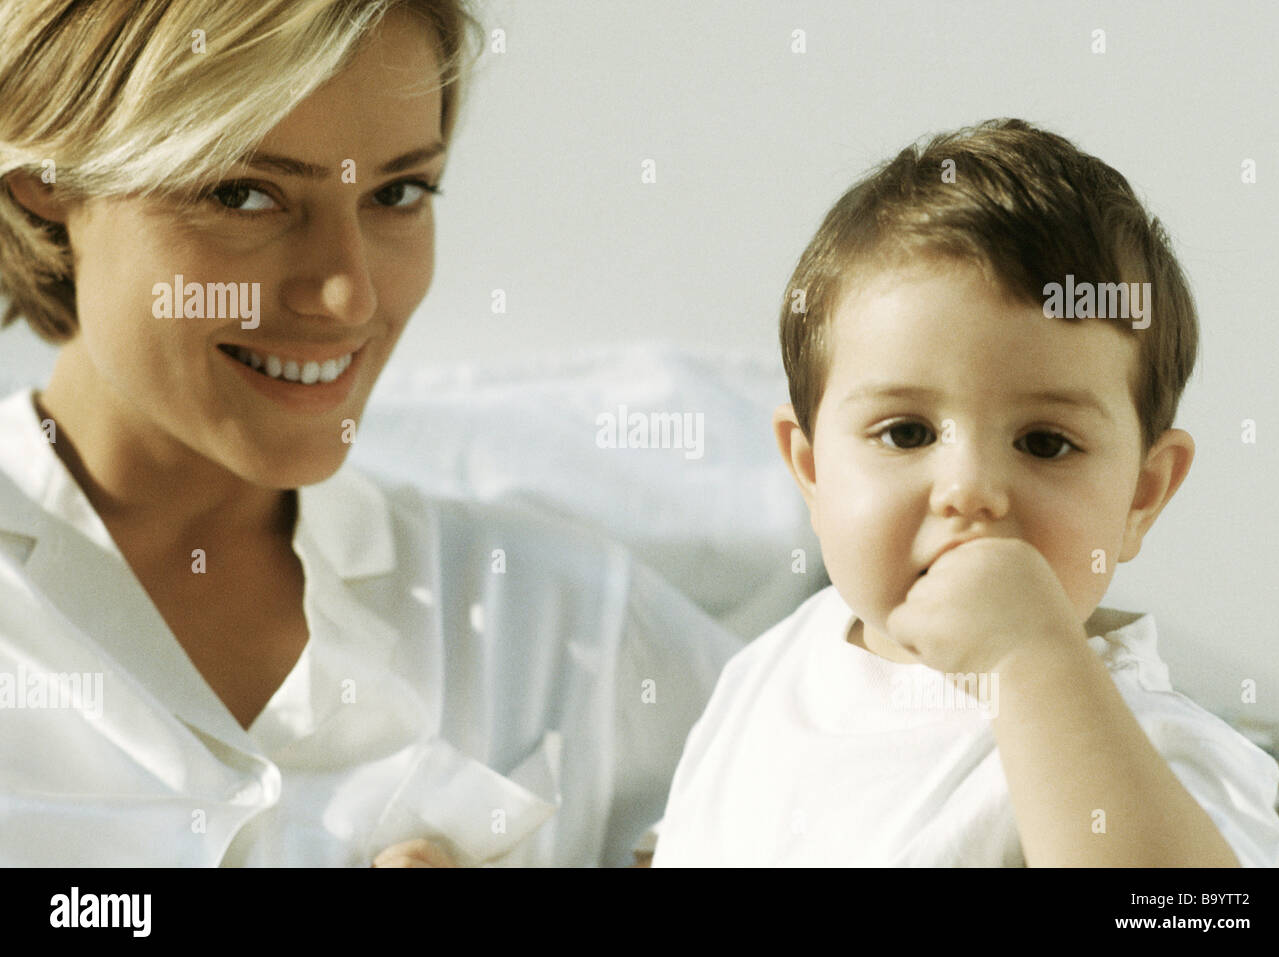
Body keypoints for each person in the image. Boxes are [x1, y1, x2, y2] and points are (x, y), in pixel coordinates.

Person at [0, 0, 740, 867]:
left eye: (398, 193)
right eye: (244, 195)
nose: (349, 294)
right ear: (48, 184)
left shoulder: (566, 619)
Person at [652, 119, 1279, 867]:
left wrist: (1033, 660)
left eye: (1044, 442)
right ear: (812, 470)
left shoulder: (1154, 757)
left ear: (1141, 496)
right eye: (905, 433)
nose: (970, 490)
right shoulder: (770, 670)